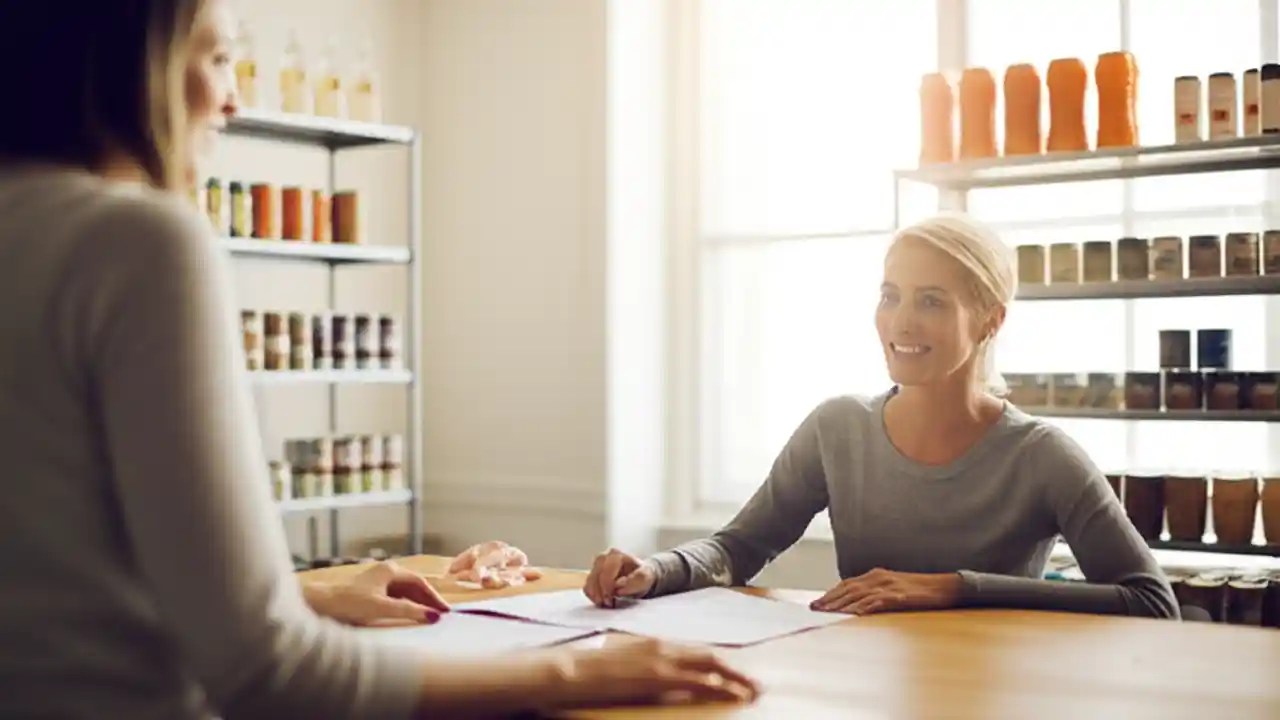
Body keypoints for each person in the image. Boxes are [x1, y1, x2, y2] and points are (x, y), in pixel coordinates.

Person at [0, 1, 757, 717]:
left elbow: (71, 578)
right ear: (130, 60)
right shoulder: (135, 243)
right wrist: (579, 668)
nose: (232, 100)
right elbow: (275, 675)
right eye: (221, 57)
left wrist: (311, 596)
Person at [585, 214, 1179, 620]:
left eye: (931, 301)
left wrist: (954, 589)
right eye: (890, 294)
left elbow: (1153, 602)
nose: (900, 323)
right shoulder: (837, 428)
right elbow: (740, 547)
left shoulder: (1042, 455)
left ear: (991, 321)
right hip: (865, 686)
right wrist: (656, 571)